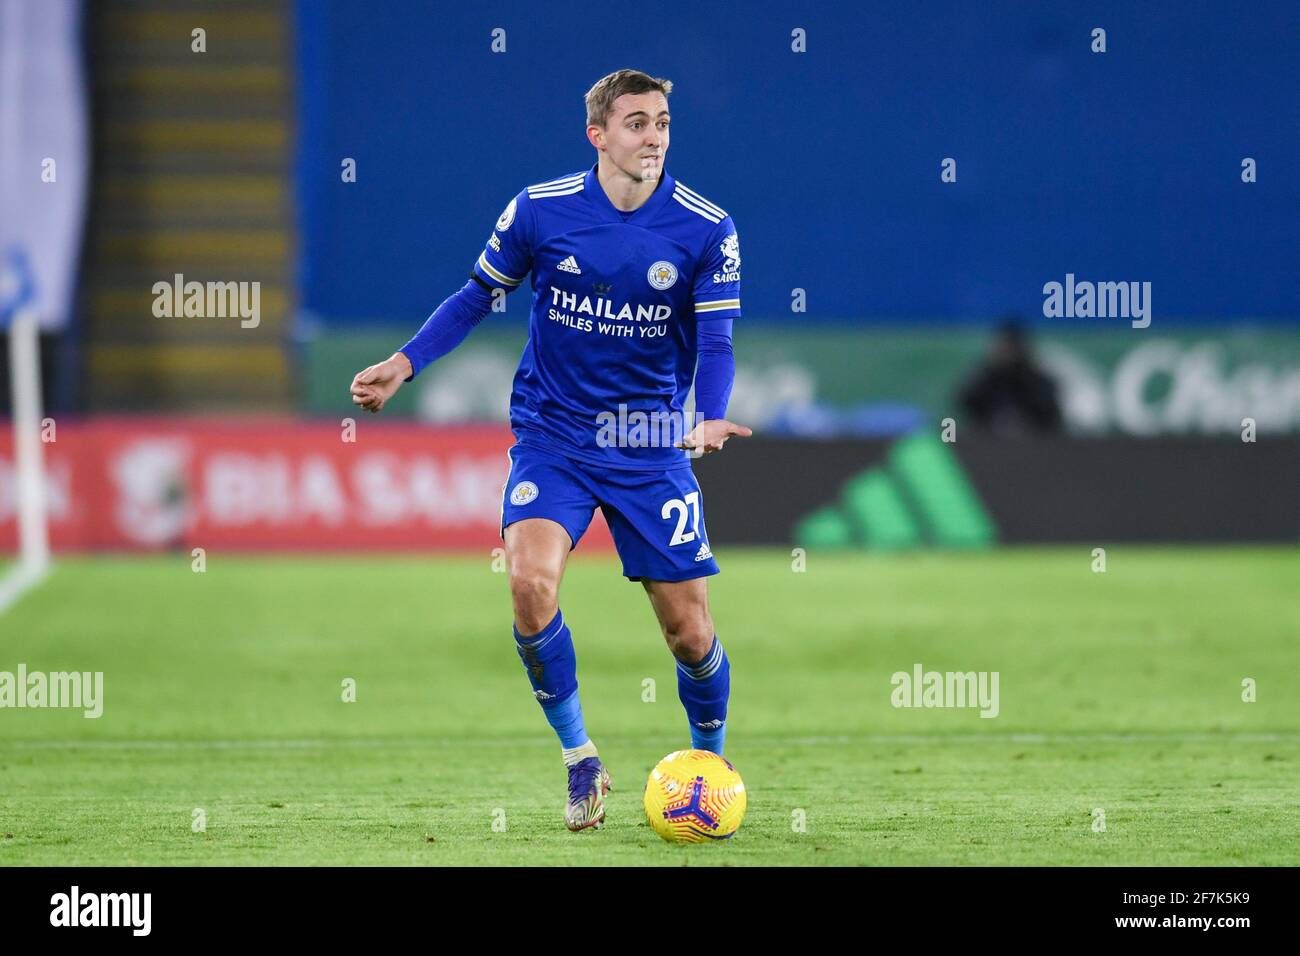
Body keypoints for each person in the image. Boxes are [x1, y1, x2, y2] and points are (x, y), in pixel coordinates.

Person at [348, 69, 751, 832]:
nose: (654, 137)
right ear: (598, 134)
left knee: (689, 632)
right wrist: (405, 362)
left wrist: (710, 415)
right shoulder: (541, 210)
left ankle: (710, 762)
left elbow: (719, 340)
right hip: (553, 437)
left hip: (647, 444)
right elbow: (476, 295)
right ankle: (580, 761)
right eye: (636, 123)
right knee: (530, 586)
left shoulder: (706, 227)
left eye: (663, 122)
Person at [957, 321, 1063, 435]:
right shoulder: (988, 378)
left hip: (1034, 445)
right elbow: (965, 401)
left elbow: (1049, 415)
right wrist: (991, 370)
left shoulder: (1036, 381)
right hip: (988, 443)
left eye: (1010, 347)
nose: (1006, 352)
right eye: (1002, 347)